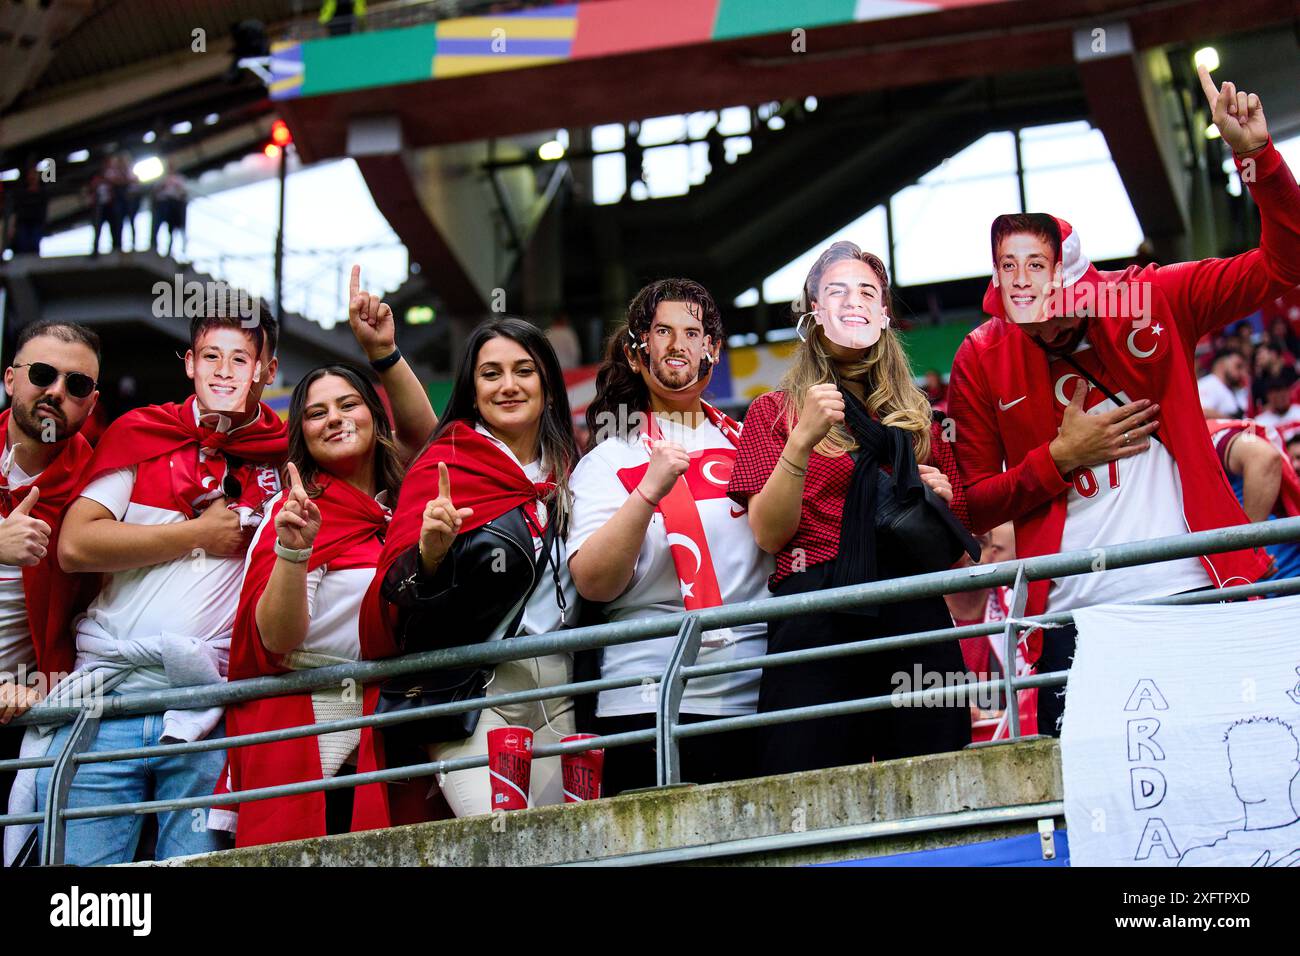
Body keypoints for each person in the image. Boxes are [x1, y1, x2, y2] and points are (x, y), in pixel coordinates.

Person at [946, 66, 1300, 737]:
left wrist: (1258, 160)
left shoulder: (1158, 297)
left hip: (1190, 593)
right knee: (1077, 804)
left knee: (1217, 774)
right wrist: (1056, 460)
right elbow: (972, 504)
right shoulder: (981, 354)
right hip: (1067, 617)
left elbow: (1287, 263)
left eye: (1055, 307)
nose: (1042, 325)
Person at [20, 296, 287, 866]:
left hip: (208, 712)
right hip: (107, 701)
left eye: (240, 358)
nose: (222, 371)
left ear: (268, 369)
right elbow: (75, 546)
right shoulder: (144, 433)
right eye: (210, 356)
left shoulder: (290, 457)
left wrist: (383, 355)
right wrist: (198, 534)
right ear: (188, 363)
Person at [728, 241, 973, 776]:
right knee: (806, 780)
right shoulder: (773, 410)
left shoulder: (919, 418)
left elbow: (960, 563)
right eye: (836, 291)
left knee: (935, 774)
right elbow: (768, 536)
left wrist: (942, 508)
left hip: (912, 609)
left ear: (884, 314)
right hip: (813, 614)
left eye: (867, 291)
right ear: (813, 313)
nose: (853, 301)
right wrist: (801, 441)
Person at [220, 267, 437, 846]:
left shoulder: (405, 507)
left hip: (398, 717)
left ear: (374, 414)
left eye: (349, 404)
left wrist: (385, 353)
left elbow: (431, 436)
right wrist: (294, 553)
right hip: (314, 726)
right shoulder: (295, 512)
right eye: (317, 412)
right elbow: (275, 641)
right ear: (303, 436)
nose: (336, 417)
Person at [361, 317, 579, 817]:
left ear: (547, 386)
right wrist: (430, 556)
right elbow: (396, 597)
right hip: (477, 692)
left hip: (565, 686)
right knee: (499, 847)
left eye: (524, 370)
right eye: (491, 374)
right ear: (472, 390)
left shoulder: (571, 465)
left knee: (564, 851)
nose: (508, 385)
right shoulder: (445, 465)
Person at [568, 278, 772, 794]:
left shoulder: (756, 448)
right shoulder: (607, 462)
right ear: (638, 354)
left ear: (713, 350)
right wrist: (647, 493)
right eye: (662, 331)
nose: (679, 344)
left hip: (762, 693)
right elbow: (593, 582)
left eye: (692, 331)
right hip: (643, 701)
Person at [0, 322, 102, 847]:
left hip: (27, 712)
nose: (57, 391)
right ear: (11, 378)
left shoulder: (102, 489)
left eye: (77, 384)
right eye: (42, 374)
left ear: (90, 403)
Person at [944, 523, 1038, 742]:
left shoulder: (1022, 609)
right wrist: (949, 711)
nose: (970, 554)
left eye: (978, 544)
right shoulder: (920, 619)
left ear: (993, 553)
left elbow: (1034, 692)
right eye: (960, 545)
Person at [1209, 418, 1300, 582]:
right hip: (1264, 585)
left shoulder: (1208, 433)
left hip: (1285, 576)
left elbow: (1264, 458)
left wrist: (1249, 552)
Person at [6, 167, 49, 257]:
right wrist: (12, 227)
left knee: (34, 243)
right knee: (23, 243)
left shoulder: (42, 192)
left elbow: (44, 210)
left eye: (35, 175)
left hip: (36, 223)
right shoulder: (22, 192)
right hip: (23, 223)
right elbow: (15, 210)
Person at [1198, 347, 1249, 419]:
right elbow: (1202, 411)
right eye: (1237, 366)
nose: (1240, 372)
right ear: (1222, 363)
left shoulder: (1231, 388)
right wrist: (1232, 420)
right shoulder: (1207, 384)